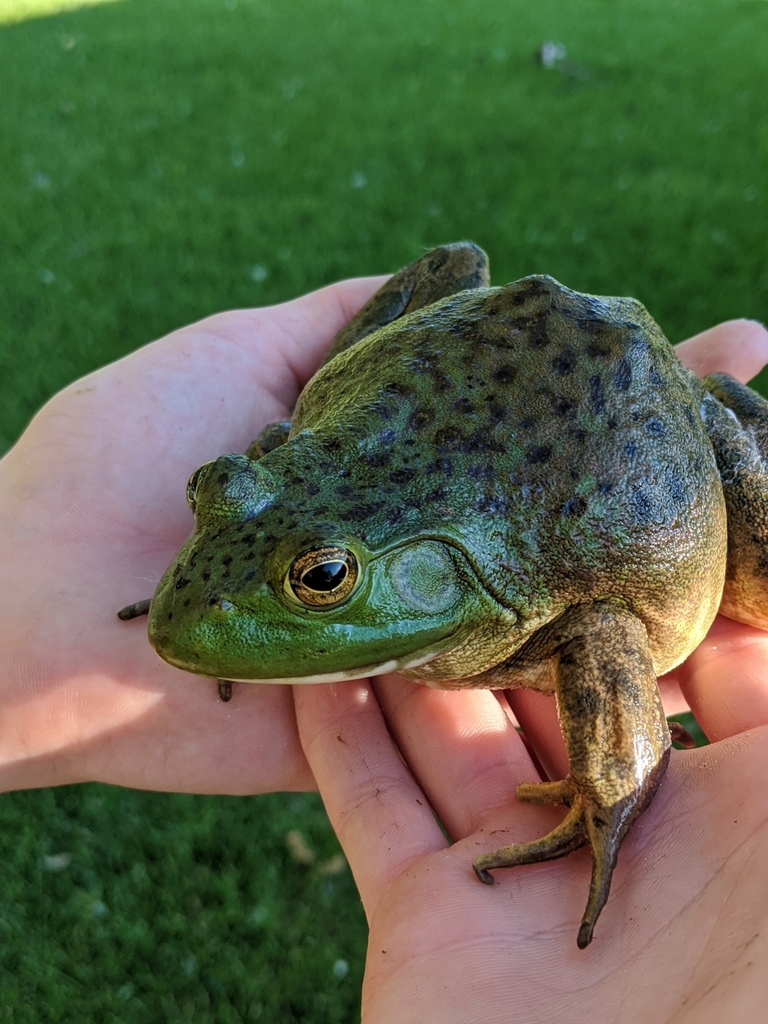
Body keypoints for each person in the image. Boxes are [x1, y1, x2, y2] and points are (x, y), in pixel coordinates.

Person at [1, 276, 767, 1021]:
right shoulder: (292, 455)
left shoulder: (529, 587)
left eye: (321, 578)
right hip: (490, 382)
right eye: (219, 496)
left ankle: (714, 411)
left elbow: (603, 629)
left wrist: (612, 786)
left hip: (629, 419)